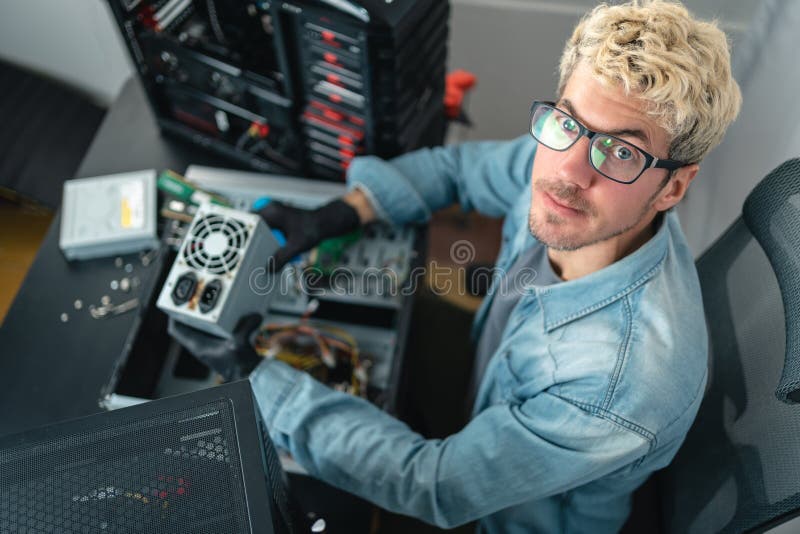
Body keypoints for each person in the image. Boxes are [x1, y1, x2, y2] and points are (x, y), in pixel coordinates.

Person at [171, 1, 742, 532]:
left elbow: (433, 484)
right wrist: (343, 212)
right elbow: (462, 170)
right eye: (568, 122)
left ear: (673, 187)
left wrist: (255, 380)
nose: (569, 171)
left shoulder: (619, 381)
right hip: (480, 388)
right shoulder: (573, 172)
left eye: (621, 151)